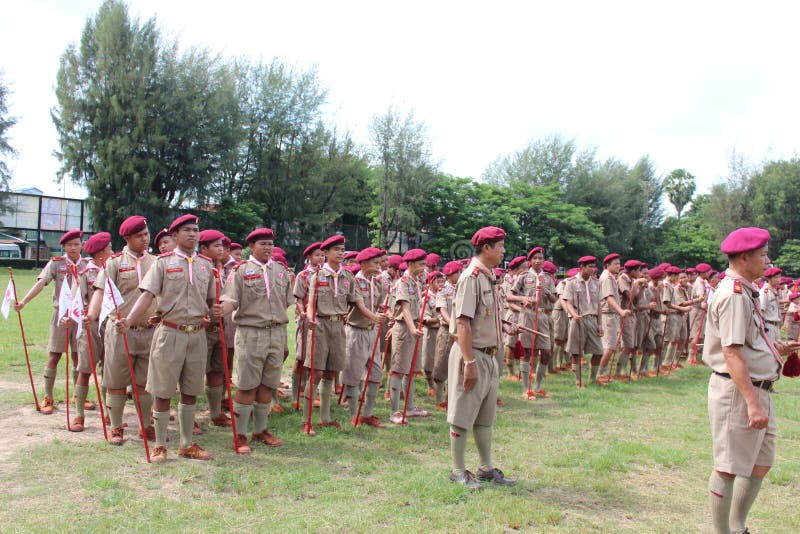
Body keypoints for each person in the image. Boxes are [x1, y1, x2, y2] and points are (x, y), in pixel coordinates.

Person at [703, 227, 797, 534]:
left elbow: (748, 341)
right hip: (740, 393)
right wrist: (753, 404)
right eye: (763, 255)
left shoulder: (748, 290)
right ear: (745, 257)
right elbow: (730, 352)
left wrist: (776, 348)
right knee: (728, 468)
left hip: (759, 390)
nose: (767, 260)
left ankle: (737, 525)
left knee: (760, 463)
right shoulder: (733, 294)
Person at [116, 214, 218, 462]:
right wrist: (129, 319)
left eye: (195, 230)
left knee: (191, 390)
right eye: (186, 230)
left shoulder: (206, 265)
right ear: (175, 236)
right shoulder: (162, 263)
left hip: (196, 335)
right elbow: (147, 296)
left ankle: (186, 443)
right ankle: (160, 444)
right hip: (170, 333)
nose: (192, 234)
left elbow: (212, 301)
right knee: (162, 391)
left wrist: (216, 312)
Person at [447, 226, 515, 489]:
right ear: (486, 248)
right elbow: (462, 323)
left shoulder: (488, 277)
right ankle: (457, 470)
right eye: (500, 246)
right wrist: (469, 363)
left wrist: (506, 326)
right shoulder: (471, 277)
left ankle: (486, 469)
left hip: (489, 355)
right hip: (471, 354)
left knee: (485, 418)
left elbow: (483, 317)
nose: (503, 251)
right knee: (462, 414)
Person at [219, 228, 294, 452]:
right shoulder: (240, 270)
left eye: (270, 244)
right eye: (262, 244)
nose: (268, 248)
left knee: (268, 384)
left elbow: (287, 301)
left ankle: (260, 430)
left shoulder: (280, 270)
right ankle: (240, 434)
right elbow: (231, 300)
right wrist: (219, 310)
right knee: (246, 384)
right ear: (251, 246)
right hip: (251, 332)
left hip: (277, 332)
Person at [303, 235, 383, 434]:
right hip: (320, 325)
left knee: (331, 372)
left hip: (339, 326)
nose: (340, 253)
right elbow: (311, 303)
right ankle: (307, 420)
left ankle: (325, 417)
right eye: (336, 250)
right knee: (317, 373)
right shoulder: (318, 276)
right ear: (326, 253)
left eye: (342, 250)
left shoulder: (348, 277)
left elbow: (358, 302)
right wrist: (311, 318)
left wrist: (374, 316)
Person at [89, 216, 158, 445]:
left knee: (144, 382)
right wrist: (92, 315)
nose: (145, 239)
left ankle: (145, 425)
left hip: (149, 330)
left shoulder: (156, 262)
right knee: (117, 380)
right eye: (139, 236)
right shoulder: (114, 263)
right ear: (127, 238)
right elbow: (100, 291)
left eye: (146, 234)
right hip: (120, 331)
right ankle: (116, 427)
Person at [15, 229, 87, 414]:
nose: (73, 248)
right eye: (69, 245)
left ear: (82, 245)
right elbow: (41, 283)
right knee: (54, 355)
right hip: (60, 315)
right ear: (63, 246)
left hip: (79, 316)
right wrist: (24, 301)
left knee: (78, 356)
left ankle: (78, 396)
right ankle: (48, 397)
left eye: (76, 244)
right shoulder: (56, 264)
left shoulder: (86, 265)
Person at [341, 247, 389, 427]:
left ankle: (368, 413)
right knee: (353, 373)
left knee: (376, 373)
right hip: (357, 331)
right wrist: (375, 317)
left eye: (380, 263)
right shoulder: (355, 281)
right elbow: (360, 305)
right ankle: (355, 414)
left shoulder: (375, 282)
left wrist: (385, 314)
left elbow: (380, 304)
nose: (379, 266)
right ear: (364, 263)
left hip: (372, 332)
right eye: (376, 263)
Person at [70, 232, 113, 431]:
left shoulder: (113, 270)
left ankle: (108, 412)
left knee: (109, 370)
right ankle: (79, 415)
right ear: (100, 253)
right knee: (85, 370)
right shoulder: (85, 273)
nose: (112, 251)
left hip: (111, 324)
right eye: (109, 248)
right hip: (91, 325)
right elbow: (75, 299)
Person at [388, 248, 430, 424]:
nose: (423, 268)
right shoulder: (403, 282)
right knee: (398, 370)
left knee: (411, 370)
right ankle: (395, 411)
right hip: (405, 329)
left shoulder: (415, 282)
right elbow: (404, 308)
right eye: (420, 264)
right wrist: (413, 329)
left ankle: (410, 407)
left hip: (414, 328)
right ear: (411, 264)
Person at [508, 247, 557, 398]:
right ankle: (526, 389)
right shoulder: (523, 276)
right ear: (530, 261)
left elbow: (555, 299)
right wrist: (522, 299)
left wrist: (547, 292)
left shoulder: (548, 278)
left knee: (546, 352)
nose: (538, 261)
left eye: (540, 258)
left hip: (543, 316)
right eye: (534, 258)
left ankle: (537, 386)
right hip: (528, 315)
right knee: (527, 352)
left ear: (544, 260)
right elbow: (509, 296)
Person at [562, 256, 604, 387]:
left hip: (592, 319)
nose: (592, 269)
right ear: (582, 267)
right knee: (576, 352)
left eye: (593, 266)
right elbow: (568, 302)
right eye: (589, 266)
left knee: (599, 351)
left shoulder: (596, 283)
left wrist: (600, 324)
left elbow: (598, 305)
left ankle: (592, 379)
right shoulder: (571, 282)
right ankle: (578, 381)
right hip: (578, 320)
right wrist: (574, 315)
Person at [291, 242, 324, 409]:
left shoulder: (327, 275)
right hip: (306, 321)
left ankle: (312, 394)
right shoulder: (303, 276)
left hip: (323, 322)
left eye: (322, 255)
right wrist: (302, 312)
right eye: (317, 255)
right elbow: (298, 299)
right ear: (309, 257)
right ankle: (296, 394)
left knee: (317, 360)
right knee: (302, 357)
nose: (321, 258)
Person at [597, 253, 632, 381]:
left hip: (612, 315)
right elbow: (609, 297)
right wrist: (621, 311)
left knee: (612, 346)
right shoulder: (606, 277)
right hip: (608, 315)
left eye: (619, 263)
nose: (619, 266)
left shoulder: (611, 277)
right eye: (615, 264)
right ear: (607, 265)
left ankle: (603, 372)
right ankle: (600, 373)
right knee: (609, 346)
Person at [688, 263, 712, 365]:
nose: (709, 273)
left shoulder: (702, 282)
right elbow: (701, 301)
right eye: (707, 272)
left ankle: (694, 356)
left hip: (700, 311)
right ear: (703, 273)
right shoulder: (699, 283)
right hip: (698, 311)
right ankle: (691, 357)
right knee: (696, 334)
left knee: (699, 334)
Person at [759, 267, 783, 342]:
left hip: (776, 325)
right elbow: (761, 311)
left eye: (779, 277)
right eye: (776, 277)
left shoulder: (774, 291)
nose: (779, 279)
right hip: (768, 325)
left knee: (778, 349)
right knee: (770, 350)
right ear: (769, 279)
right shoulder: (765, 292)